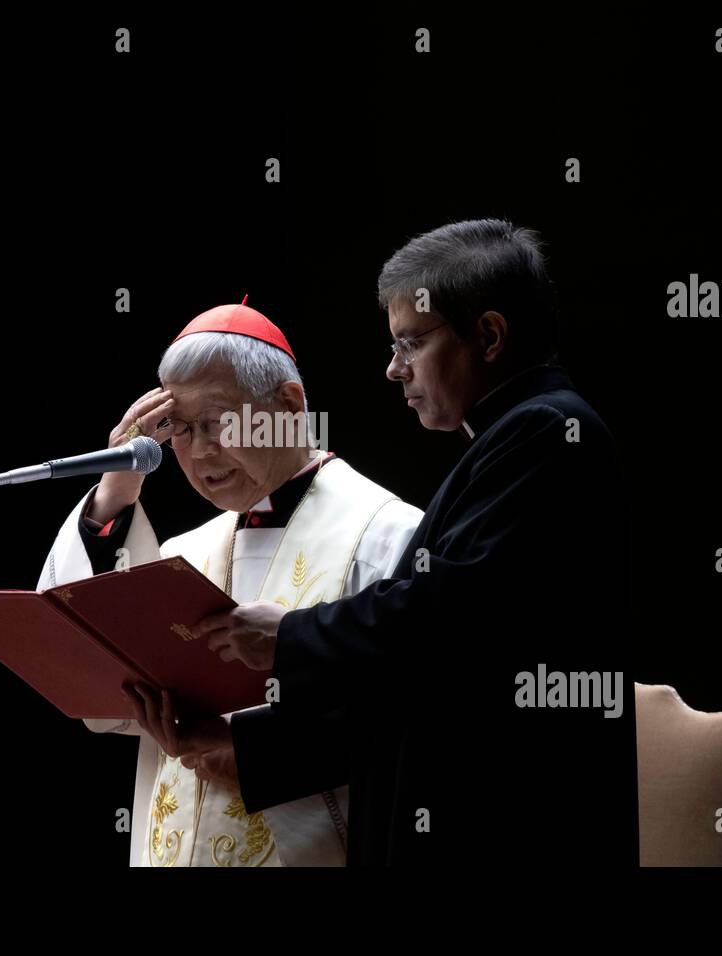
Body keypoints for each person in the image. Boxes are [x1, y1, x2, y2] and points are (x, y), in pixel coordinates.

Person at [161, 219, 638, 866]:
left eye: (410, 344)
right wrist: (249, 751)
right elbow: (426, 677)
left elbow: (451, 617)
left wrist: (290, 636)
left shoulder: (548, 434)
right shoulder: (511, 437)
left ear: (489, 336)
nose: (393, 369)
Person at [36, 300, 422, 867]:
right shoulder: (182, 554)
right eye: (180, 430)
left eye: (216, 422)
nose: (197, 452)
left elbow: (408, 731)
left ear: (288, 406)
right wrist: (114, 494)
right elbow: (104, 708)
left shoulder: (388, 536)